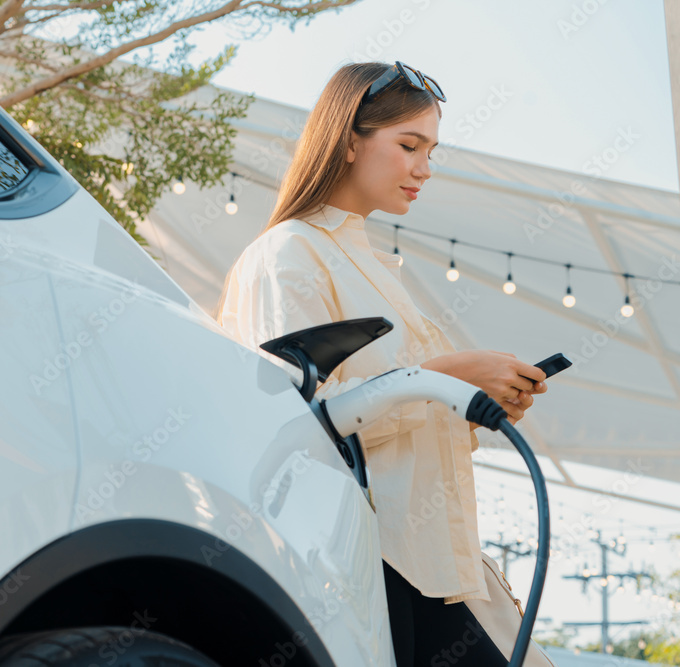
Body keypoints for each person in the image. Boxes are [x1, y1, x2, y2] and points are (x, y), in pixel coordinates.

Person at [213, 61, 549, 666]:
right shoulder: (288, 253)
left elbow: (386, 416)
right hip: (364, 562)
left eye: (431, 150)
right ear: (347, 141)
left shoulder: (367, 262)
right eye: (409, 145)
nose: (424, 168)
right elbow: (296, 423)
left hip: (431, 563)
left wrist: (473, 408)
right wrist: (452, 376)